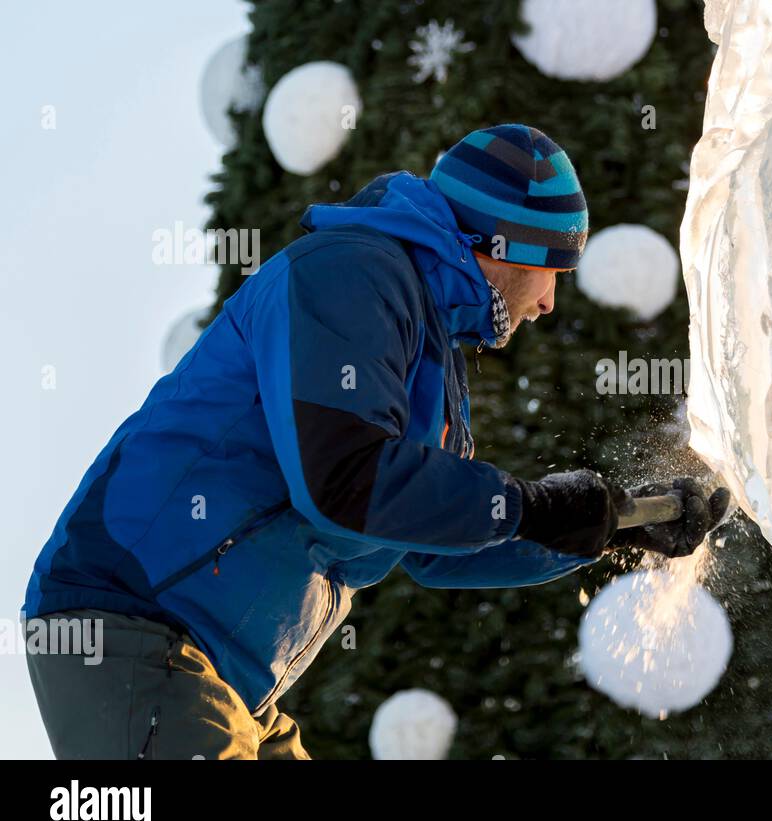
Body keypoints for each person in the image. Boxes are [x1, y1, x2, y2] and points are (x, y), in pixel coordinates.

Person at [21, 124, 728, 759]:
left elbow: (433, 550)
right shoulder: (353, 273)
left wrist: (616, 527)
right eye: (553, 271)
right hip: (130, 628)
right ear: (501, 242)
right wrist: (534, 507)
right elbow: (346, 481)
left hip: (227, 679)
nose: (548, 302)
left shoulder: (433, 348)